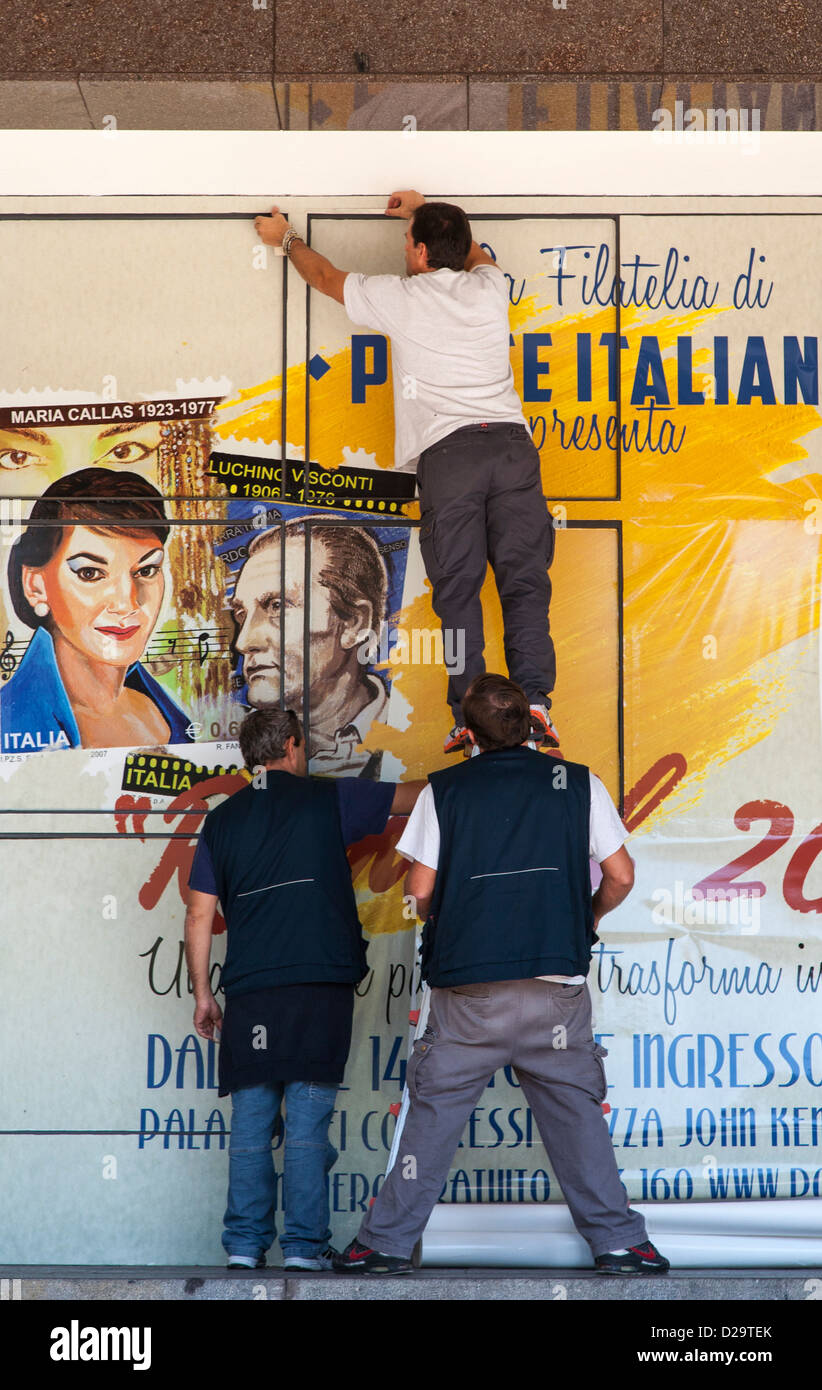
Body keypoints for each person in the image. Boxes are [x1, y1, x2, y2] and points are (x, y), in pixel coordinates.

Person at [332, 673, 670, 1276]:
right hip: (556, 991)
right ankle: (621, 1243)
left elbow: (420, 889)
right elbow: (620, 876)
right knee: (578, 1122)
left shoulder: (446, 790)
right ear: (533, 724)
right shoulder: (577, 783)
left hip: (468, 993)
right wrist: (582, 921)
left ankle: (383, 1245)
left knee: (432, 1120)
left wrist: (456, 915)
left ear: (466, 734)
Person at [253, 194, 559, 757]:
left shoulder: (400, 297)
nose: (402, 251)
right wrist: (427, 210)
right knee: (525, 584)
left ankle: (472, 711)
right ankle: (536, 704)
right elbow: (473, 251)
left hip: (452, 456)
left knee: (459, 589)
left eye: (406, 242)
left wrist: (285, 239)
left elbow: (322, 276)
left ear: (420, 251)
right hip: (514, 448)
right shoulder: (490, 286)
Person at [185, 706, 424, 1270]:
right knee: (308, 1121)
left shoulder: (221, 821)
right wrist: (484, 768)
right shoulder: (329, 798)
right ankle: (303, 1249)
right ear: (292, 746)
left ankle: (243, 1248)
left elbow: (199, 916)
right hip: (319, 983)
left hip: (251, 990)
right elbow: (414, 797)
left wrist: (202, 994)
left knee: (250, 1121)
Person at [1, 468, 193, 751]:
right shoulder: (11, 721)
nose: (127, 603)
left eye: (147, 570)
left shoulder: (166, 713)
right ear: (36, 586)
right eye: (90, 573)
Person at [229, 519, 390, 776]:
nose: (244, 642)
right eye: (240, 614)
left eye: (277, 606)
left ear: (354, 623)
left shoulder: (411, 731)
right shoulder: (245, 747)